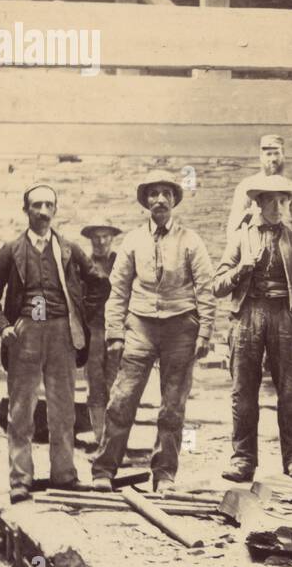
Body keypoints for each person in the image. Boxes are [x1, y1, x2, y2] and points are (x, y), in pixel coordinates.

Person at [91, 171, 215, 494]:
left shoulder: (191, 240)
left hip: (180, 328)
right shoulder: (133, 241)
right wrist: (115, 333)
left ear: (174, 200)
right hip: (141, 327)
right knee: (122, 397)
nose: (160, 199)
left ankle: (164, 475)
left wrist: (205, 333)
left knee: (173, 405)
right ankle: (104, 469)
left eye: (166, 194)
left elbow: (206, 287)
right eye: (154, 194)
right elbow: (117, 290)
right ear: (146, 201)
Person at [0, 183, 92, 503]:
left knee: (63, 410)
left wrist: (83, 315)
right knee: (20, 411)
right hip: (24, 335)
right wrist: (3, 326)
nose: (43, 211)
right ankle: (21, 480)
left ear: (55, 210)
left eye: (49, 205)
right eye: (37, 205)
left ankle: (64, 476)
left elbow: (98, 282)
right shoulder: (11, 250)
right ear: (26, 210)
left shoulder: (69, 249)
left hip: (61, 335)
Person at [213, 175, 292, 483]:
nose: (278, 207)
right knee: (243, 390)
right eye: (271, 200)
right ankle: (243, 459)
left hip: (284, 316)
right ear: (257, 203)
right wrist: (241, 269)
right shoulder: (240, 238)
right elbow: (216, 286)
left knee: (290, 391)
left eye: (282, 201)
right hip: (247, 315)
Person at [79, 222, 121, 444]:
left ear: (112, 238)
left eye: (106, 236)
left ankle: (114, 442)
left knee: (116, 384)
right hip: (93, 331)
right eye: (96, 237)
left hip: (118, 331)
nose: (101, 241)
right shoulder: (83, 265)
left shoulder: (122, 262)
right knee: (95, 384)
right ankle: (99, 439)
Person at [227, 133, 292, 246]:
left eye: (277, 153)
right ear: (261, 157)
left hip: (285, 247)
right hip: (255, 246)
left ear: (283, 156)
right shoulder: (247, 186)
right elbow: (234, 224)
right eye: (268, 154)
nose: (273, 159)